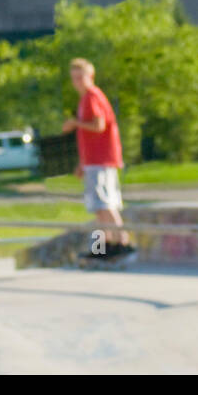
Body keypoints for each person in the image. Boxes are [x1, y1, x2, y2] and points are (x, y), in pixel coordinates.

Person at [62, 58, 133, 264]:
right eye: (74, 78)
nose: (77, 82)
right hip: (94, 161)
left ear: (90, 77)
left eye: (80, 77)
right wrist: (82, 163)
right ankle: (103, 247)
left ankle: (121, 243)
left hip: (101, 160)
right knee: (98, 207)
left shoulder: (93, 97)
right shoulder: (86, 99)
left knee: (105, 204)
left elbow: (99, 125)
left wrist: (75, 122)